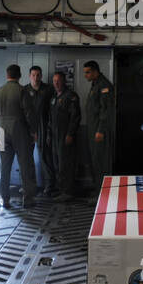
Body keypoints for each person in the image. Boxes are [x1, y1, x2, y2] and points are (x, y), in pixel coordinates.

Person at [0, 64, 37, 207]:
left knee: (4, 166)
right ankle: (28, 199)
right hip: (20, 130)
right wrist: (33, 130)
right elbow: (28, 114)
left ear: (7, 75)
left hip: (2, 130)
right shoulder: (22, 91)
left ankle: (4, 199)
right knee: (25, 165)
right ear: (20, 75)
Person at [21, 65, 55, 196]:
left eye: (38, 75)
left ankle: (49, 185)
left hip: (44, 126)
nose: (36, 78)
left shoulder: (48, 90)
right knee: (26, 158)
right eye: (33, 75)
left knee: (45, 157)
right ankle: (28, 185)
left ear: (41, 76)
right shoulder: (24, 90)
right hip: (28, 128)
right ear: (29, 76)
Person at [49, 70, 81, 200]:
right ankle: (61, 189)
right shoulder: (54, 97)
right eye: (54, 81)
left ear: (64, 81)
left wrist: (70, 134)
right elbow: (51, 118)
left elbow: (75, 117)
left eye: (59, 81)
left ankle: (67, 192)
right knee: (57, 163)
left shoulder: (71, 96)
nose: (56, 83)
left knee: (65, 164)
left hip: (65, 135)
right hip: (55, 135)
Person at [82, 60, 114, 190]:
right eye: (85, 73)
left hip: (99, 130)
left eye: (88, 72)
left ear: (96, 71)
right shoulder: (96, 84)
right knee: (94, 161)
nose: (86, 76)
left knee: (100, 161)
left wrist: (100, 130)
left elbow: (105, 110)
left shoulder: (104, 85)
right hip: (93, 129)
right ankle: (97, 191)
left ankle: (102, 193)